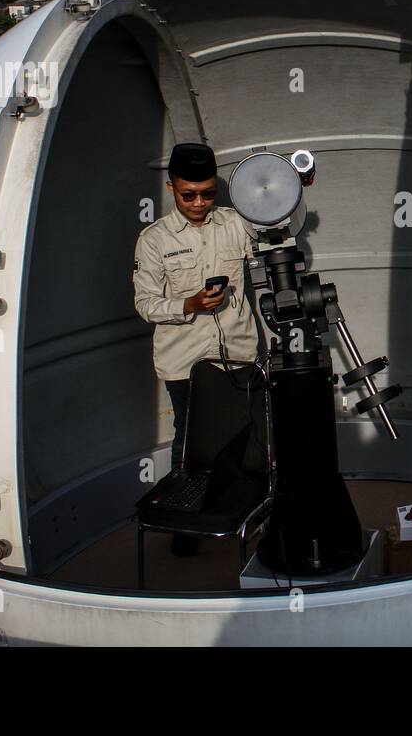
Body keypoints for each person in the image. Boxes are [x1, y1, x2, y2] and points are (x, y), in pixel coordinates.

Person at [132, 143, 261, 554]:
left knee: (246, 436)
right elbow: (146, 304)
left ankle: (243, 513)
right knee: (189, 442)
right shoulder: (153, 239)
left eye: (208, 193)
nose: (200, 202)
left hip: (238, 353)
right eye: (189, 194)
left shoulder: (234, 223)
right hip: (184, 362)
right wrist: (188, 305)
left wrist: (289, 188)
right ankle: (184, 526)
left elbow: (279, 227)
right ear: (171, 189)